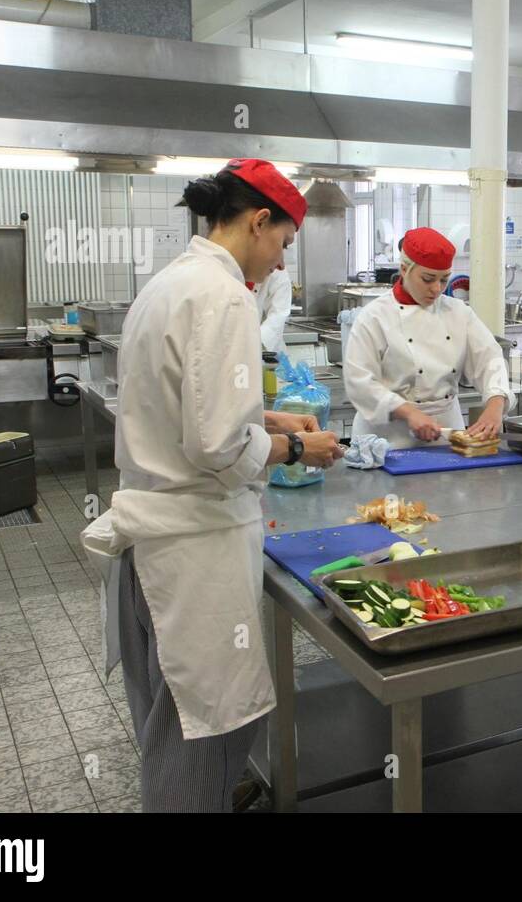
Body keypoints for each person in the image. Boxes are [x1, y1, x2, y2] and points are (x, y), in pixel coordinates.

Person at [81, 159, 344, 812]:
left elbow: (186, 410)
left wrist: (265, 415)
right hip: (193, 551)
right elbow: (219, 447)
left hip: (153, 547)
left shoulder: (173, 283)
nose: (282, 263)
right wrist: (296, 447)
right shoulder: (226, 295)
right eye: (283, 243)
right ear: (259, 222)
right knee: (205, 736)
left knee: (171, 727)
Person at [343, 226, 515, 447]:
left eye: (444, 280)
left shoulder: (459, 313)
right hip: (386, 438)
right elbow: (360, 382)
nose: (437, 289)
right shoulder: (375, 317)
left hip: (445, 434)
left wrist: (495, 404)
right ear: (404, 269)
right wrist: (407, 412)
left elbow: (490, 359)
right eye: (428, 279)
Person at [253, 263, 293, 354]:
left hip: (267, 351)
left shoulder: (277, 269)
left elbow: (279, 312)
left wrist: (256, 342)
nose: (282, 264)